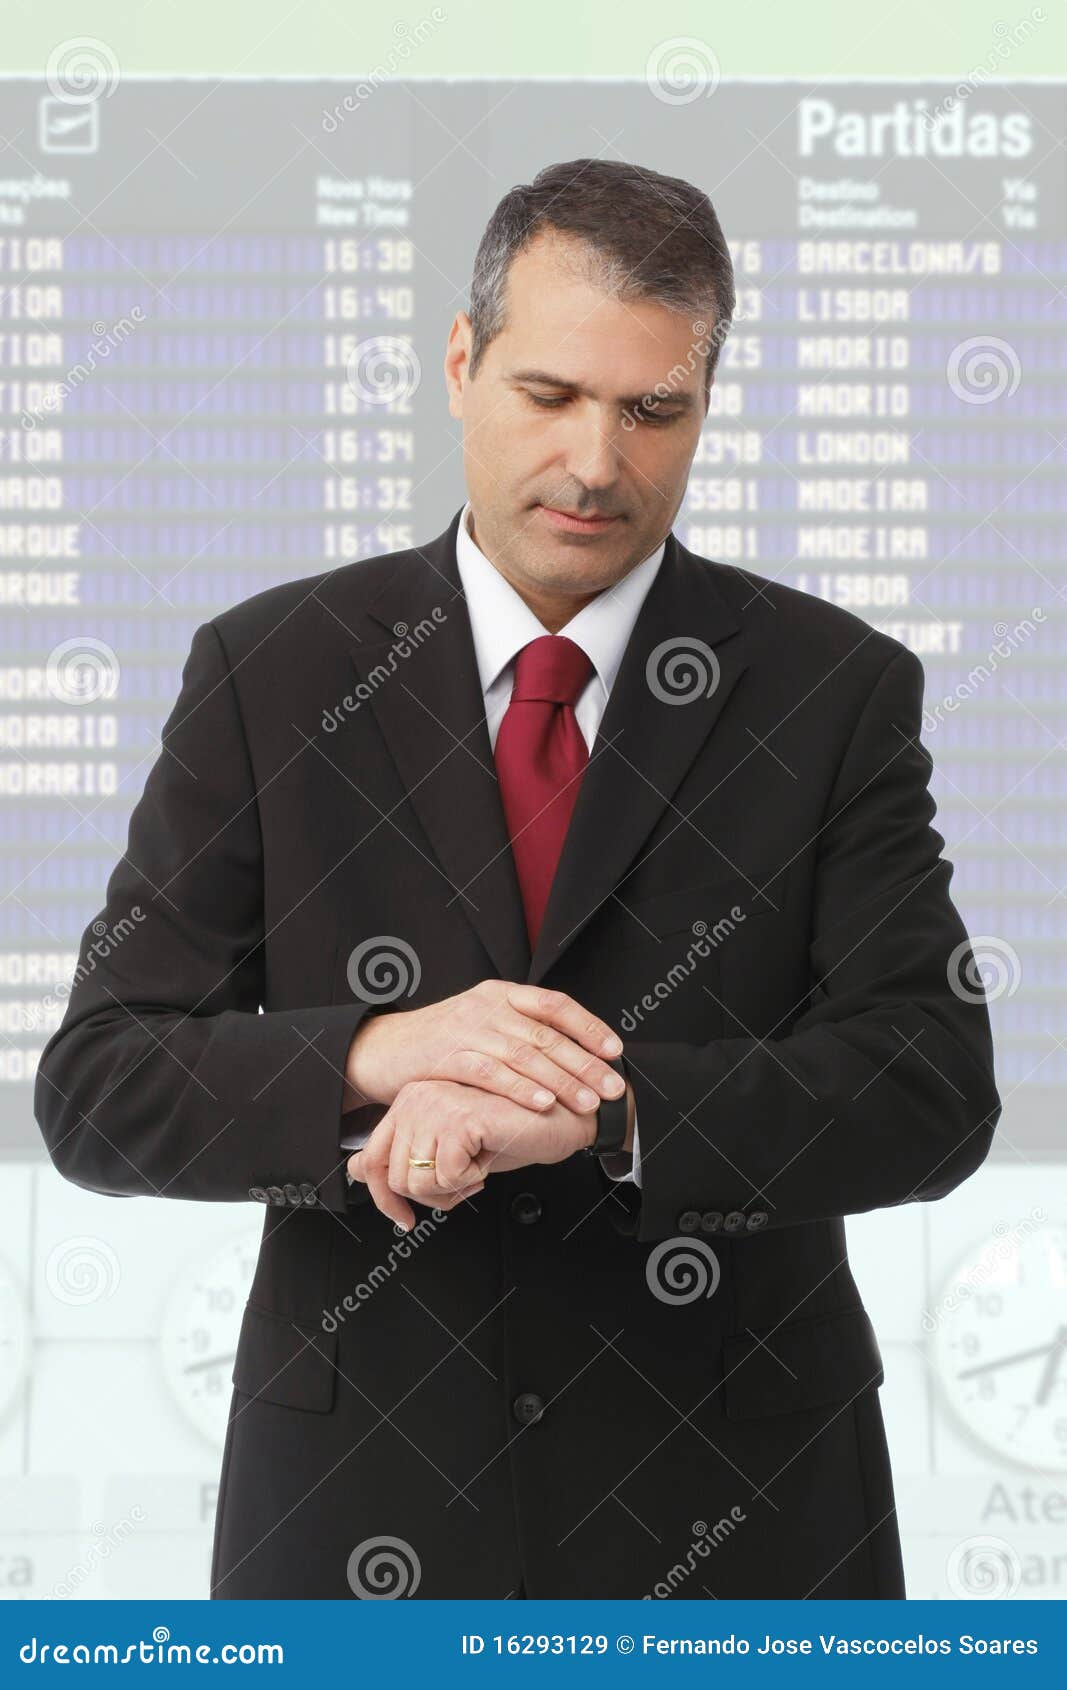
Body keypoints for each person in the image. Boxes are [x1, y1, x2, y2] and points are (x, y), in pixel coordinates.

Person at [34, 158, 1001, 1600]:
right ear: (459, 364)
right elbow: (100, 1080)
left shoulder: (834, 690)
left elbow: (929, 1084)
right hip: (362, 1498)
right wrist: (379, 1051)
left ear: (706, 405)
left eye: (652, 410)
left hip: (745, 1518)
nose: (597, 462)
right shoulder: (274, 670)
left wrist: (610, 1115)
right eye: (549, 395)